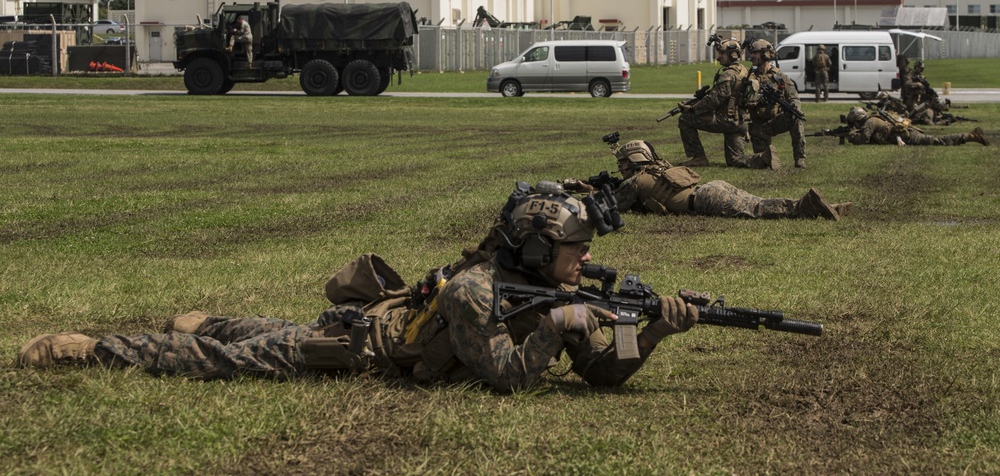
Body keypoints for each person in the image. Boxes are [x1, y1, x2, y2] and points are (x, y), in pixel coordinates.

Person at [17, 182, 698, 394]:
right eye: (577, 248)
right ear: (540, 247)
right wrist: (560, 325)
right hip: (353, 347)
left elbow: (604, 373)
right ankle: (91, 348)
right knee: (236, 357)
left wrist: (655, 328)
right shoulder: (477, 292)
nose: (585, 258)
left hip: (362, 323)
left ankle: (206, 318)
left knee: (255, 327)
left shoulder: (542, 289)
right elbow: (508, 379)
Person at [567, 139, 850, 220]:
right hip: (712, 187)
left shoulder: (636, 182)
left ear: (637, 161)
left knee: (758, 209)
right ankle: (824, 206)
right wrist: (592, 186)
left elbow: (614, 205)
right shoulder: (657, 168)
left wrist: (584, 194)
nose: (622, 169)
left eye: (625, 163)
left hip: (705, 199)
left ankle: (809, 206)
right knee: (759, 202)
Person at [677, 37, 774, 169]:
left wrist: (693, 109)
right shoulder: (745, 70)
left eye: (722, 54)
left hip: (727, 120)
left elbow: (713, 100)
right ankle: (763, 158)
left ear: (732, 55)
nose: (719, 57)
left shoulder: (728, 74)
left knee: (685, 119)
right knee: (735, 160)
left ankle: (698, 157)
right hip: (741, 122)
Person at [745, 38, 808, 169]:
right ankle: (769, 156)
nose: (751, 56)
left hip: (775, 121)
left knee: (795, 117)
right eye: (752, 53)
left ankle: (800, 159)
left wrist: (794, 107)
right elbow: (741, 101)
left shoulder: (780, 77)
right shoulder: (748, 76)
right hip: (758, 126)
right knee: (761, 162)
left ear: (765, 55)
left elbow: (794, 97)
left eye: (755, 53)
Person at [842, 107, 990, 147]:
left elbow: (863, 139)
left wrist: (850, 136)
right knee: (936, 140)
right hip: (907, 132)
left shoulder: (870, 122)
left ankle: (969, 136)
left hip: (908, 136)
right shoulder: (875, 118)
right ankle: (969, 136)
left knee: (937, 141)